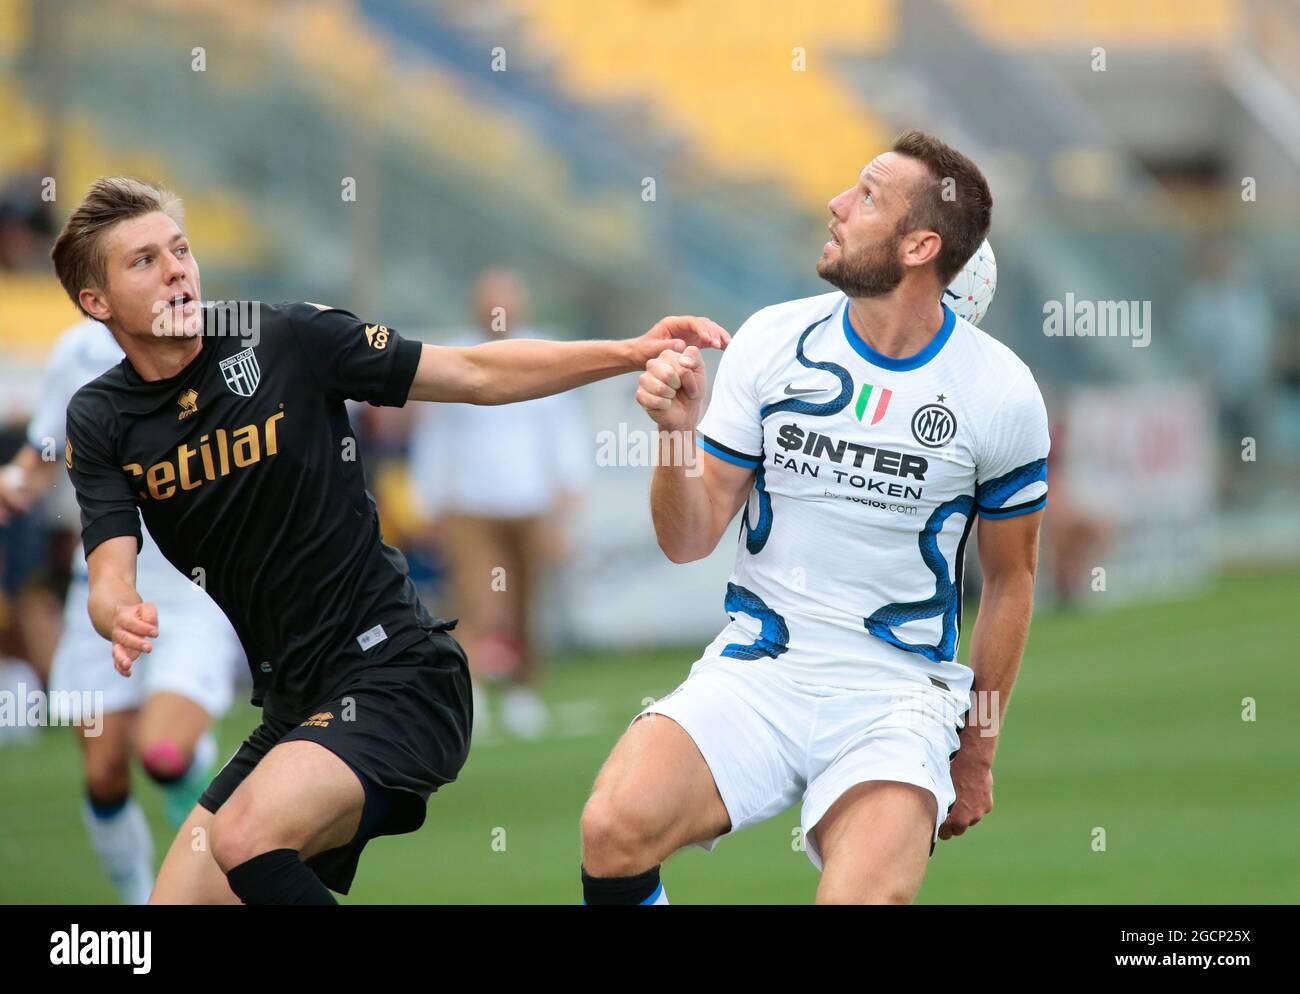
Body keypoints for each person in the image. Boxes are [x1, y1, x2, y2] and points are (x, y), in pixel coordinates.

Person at [53, 176, 728, 904]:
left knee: (245, 834)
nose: (177, 268)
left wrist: (630, 351)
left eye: (180, 249)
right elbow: (110, 570)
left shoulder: (282, 335)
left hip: (396, 674)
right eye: (144, 261)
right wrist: (117, 612)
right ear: (97, 301)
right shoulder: (100, 418)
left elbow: (472, 372)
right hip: (294, 704)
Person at [580, 130, 1049, 905]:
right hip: (760, 668)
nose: (834, 205)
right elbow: (688, 538)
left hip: (897, 697)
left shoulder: (1001, 392)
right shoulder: (772, 338)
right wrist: (676, 435)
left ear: (920, 246)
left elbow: (1012, 581)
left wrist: (977, 751)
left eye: (866, 196)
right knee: (612, 828)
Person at [0, 316, 244, 903]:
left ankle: (205, 844)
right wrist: (15, 482)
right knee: (105, 772)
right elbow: (44, 448)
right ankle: (138, 900)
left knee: (162, 752)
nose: (168, 273)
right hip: (103, 592)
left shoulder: (221, 337)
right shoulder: (78, 353)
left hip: (194, 594)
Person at [409, 269, 590, 739]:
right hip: (469, 504)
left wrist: (567, 500)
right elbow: (435, 437)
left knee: (529, 601)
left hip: (531, 502)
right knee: (472, 603)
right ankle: (471, 694)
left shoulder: (545, 353)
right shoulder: (454, 355)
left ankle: (522, 692)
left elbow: (564, 434)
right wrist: (429, 502)